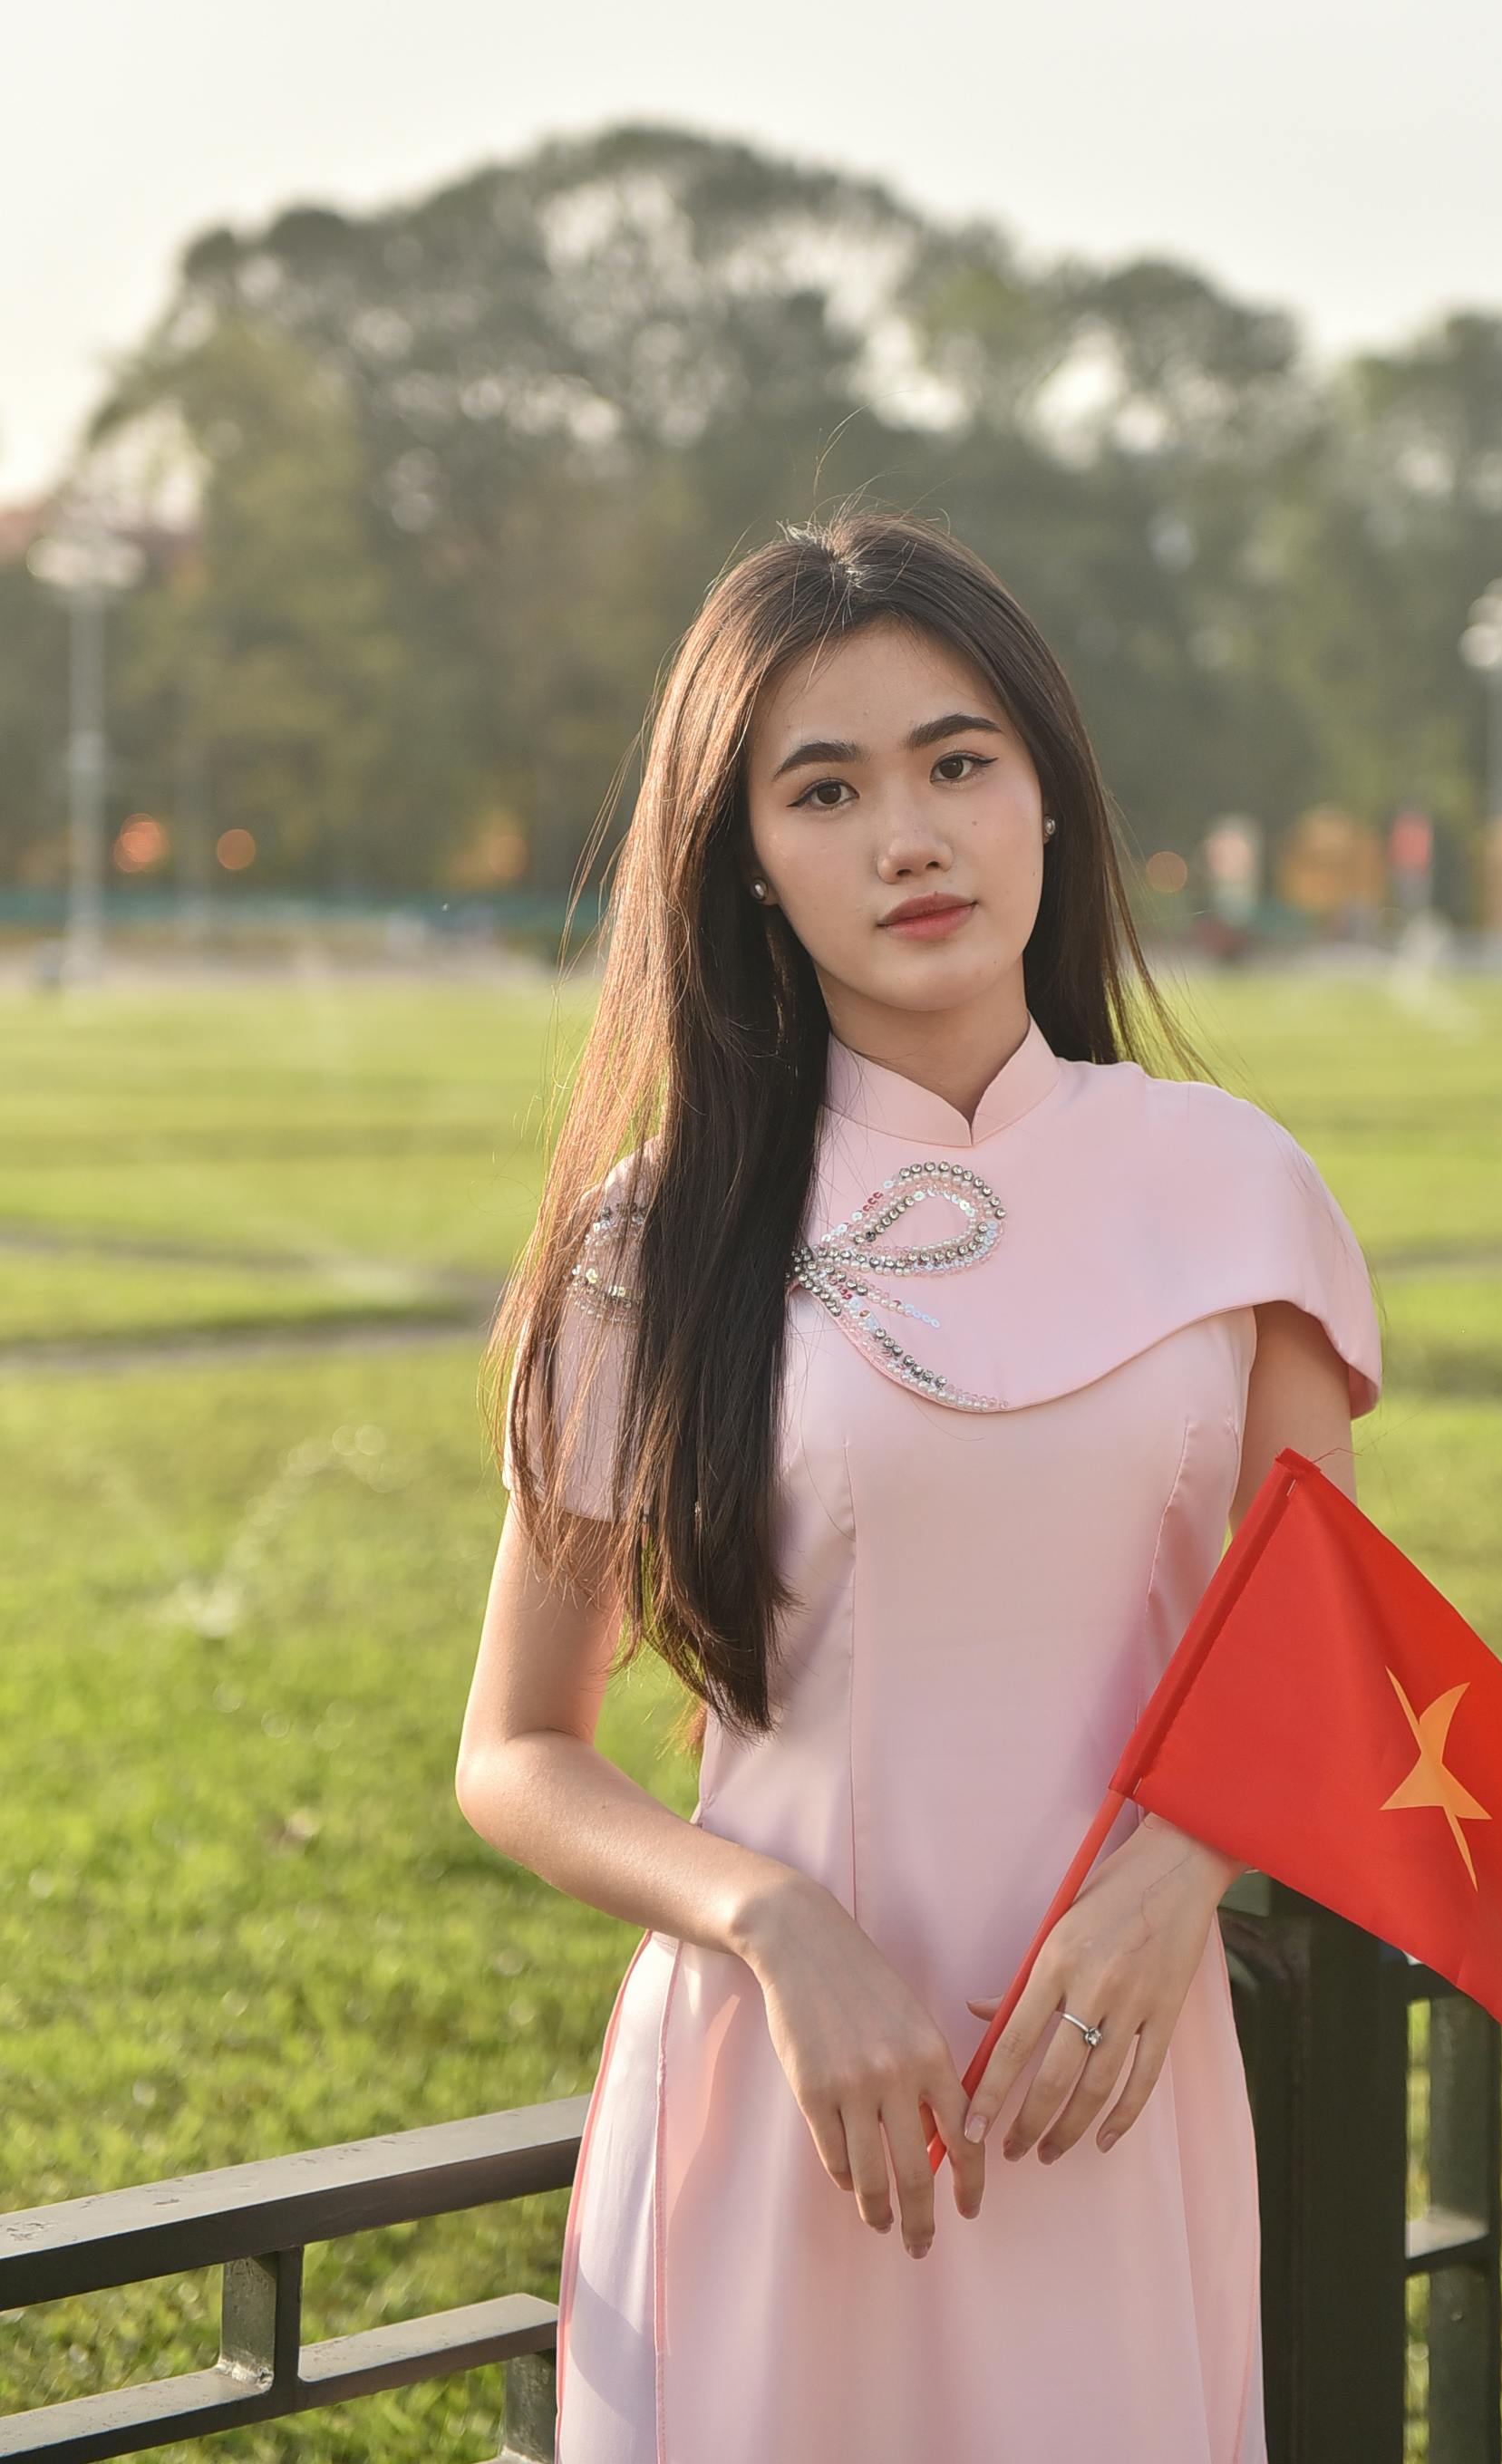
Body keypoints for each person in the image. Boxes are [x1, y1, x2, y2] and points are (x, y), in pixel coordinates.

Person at [457, 503, 1382, 2462]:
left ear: (1048, 796)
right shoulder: (663, 1232)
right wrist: (773, 1926)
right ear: (751, 872)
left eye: (959, 761)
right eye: (823, 790)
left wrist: (1176, 1872)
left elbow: (1320, 1634)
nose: (909, 835)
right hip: (789, 2102)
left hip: (1107, 2089)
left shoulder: (1232, 1187)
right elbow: (517, 1750)